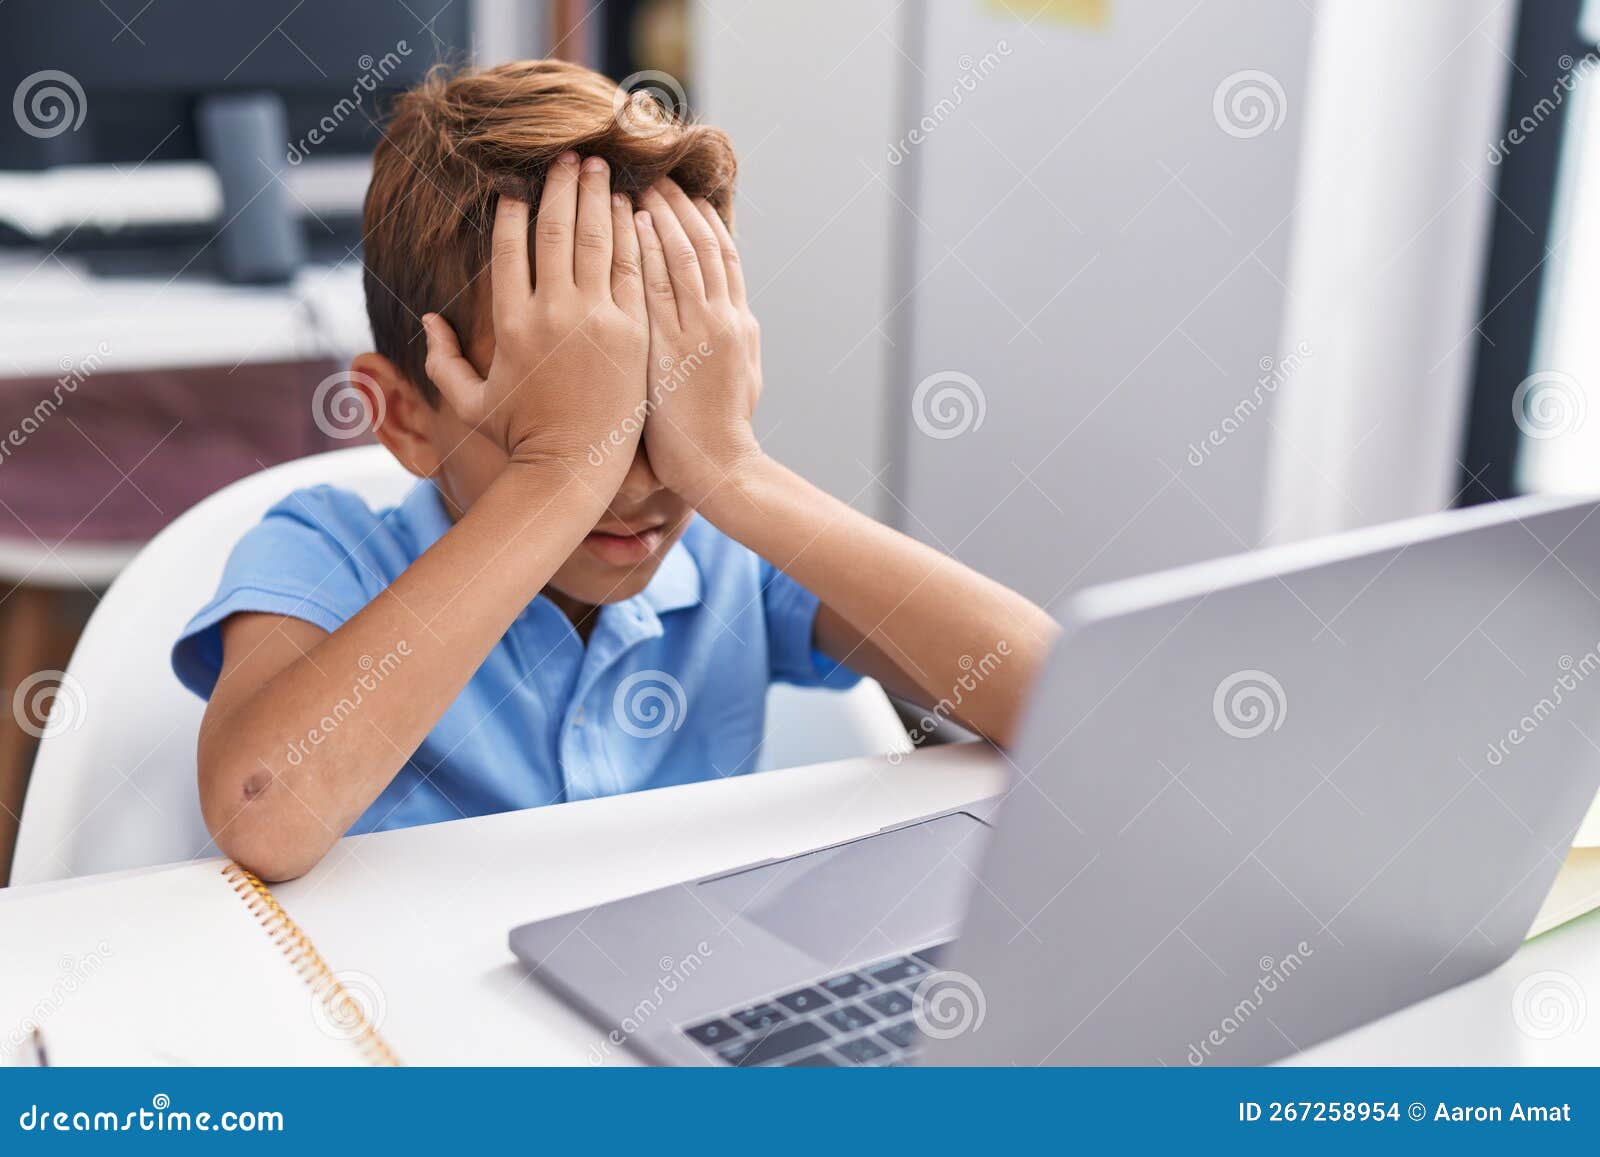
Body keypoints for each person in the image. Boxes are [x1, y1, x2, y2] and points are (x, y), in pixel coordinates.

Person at [172, 60, 1057, 882]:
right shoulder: (322, 548)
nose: (633, 483)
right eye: (560, 423)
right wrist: (556, 478)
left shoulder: (730, 561)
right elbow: (263, 815)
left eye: (661, 415)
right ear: (405, 416)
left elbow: (1059, 707)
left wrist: (733, 469)